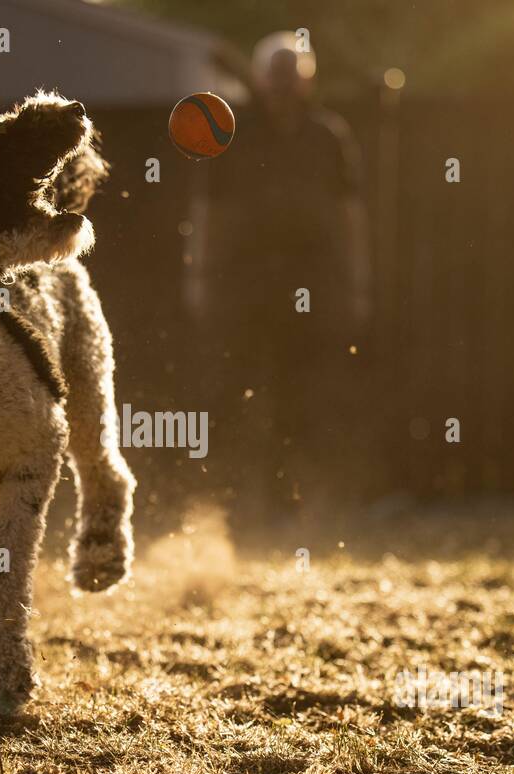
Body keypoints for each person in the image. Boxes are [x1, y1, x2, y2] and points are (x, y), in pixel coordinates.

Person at [185, 31, 370, 529]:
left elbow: (349, 213)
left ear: (305, 83)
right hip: (242, 283)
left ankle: (284, 501)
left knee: (298, 394)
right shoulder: (231, 135)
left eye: (292, 77)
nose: (283, 87)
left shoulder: (328, 136)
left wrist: (355, 283)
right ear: (261, 80)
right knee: (232, 390)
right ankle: (223, 503)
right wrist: (200, 276)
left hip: (307, 282)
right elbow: (208, 209)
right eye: (275, 77)